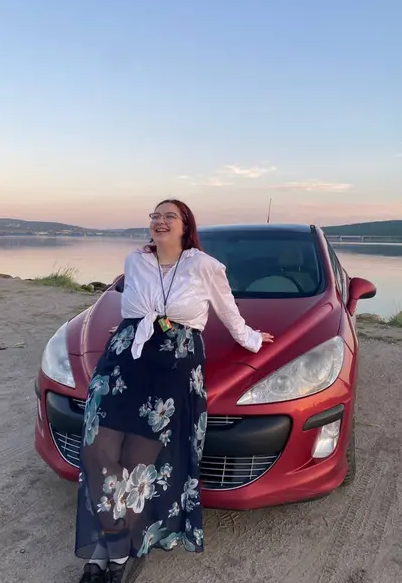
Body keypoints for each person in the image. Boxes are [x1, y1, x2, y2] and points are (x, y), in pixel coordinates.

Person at [75, 199, 274, 583]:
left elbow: (229, 312)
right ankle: (113, 538)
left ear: (186, 226)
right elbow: (133, 309)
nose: (160, 221)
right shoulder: (135, 261)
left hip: (172, 371)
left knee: (138, 461)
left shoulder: (205, 266)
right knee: (99, 451)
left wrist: (252, 339)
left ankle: (113, 550)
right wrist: (128, 328)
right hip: (123, 363)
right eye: (155, 216)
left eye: (170, 216)